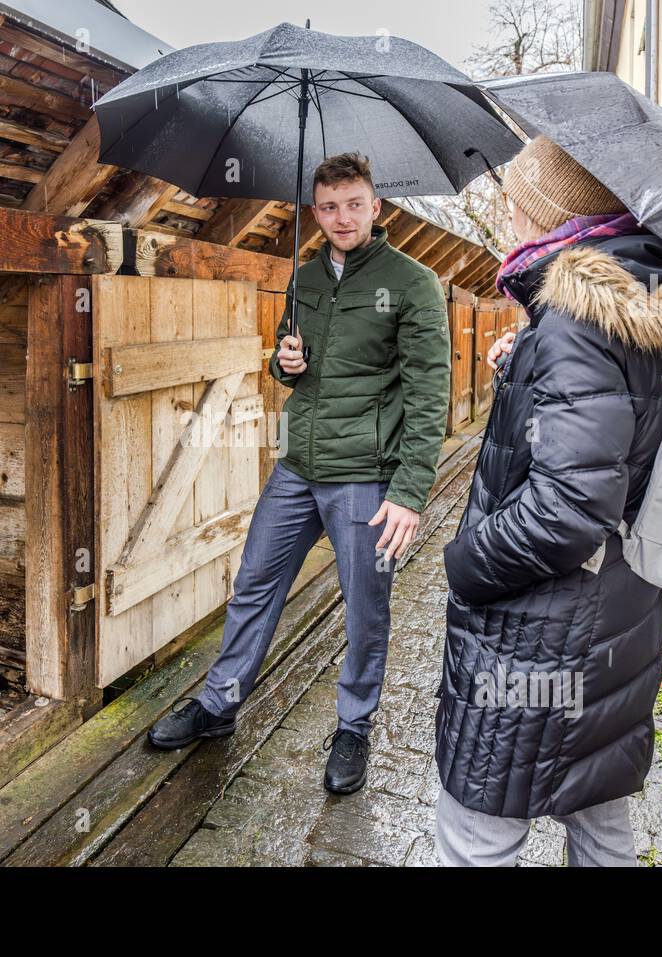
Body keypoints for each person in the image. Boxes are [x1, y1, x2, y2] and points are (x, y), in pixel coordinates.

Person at [435, 135, 662, 865]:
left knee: (478, 835)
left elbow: (566, 510)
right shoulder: (639, 298)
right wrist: (529, 355)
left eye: (515, 202)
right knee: (598, 823)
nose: (505, 214)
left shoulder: (575, 323)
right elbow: (617, 430)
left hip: (537, 637)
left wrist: (466, 562)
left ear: (547, 214)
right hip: (615, 623)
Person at [149, 152, 451, 795]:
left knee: (365, 609)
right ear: (315, 211)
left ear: (377, 206)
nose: (342, 217)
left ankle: (353, 727)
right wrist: (285, 362)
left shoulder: (412, 282)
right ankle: (219, 706)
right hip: (298, 466)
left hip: (366, 478)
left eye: (353, 204)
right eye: (329, 206)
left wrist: (409, 493)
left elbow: (430, 394)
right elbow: (292, 368)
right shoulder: (306, 277)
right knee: (254, 584)